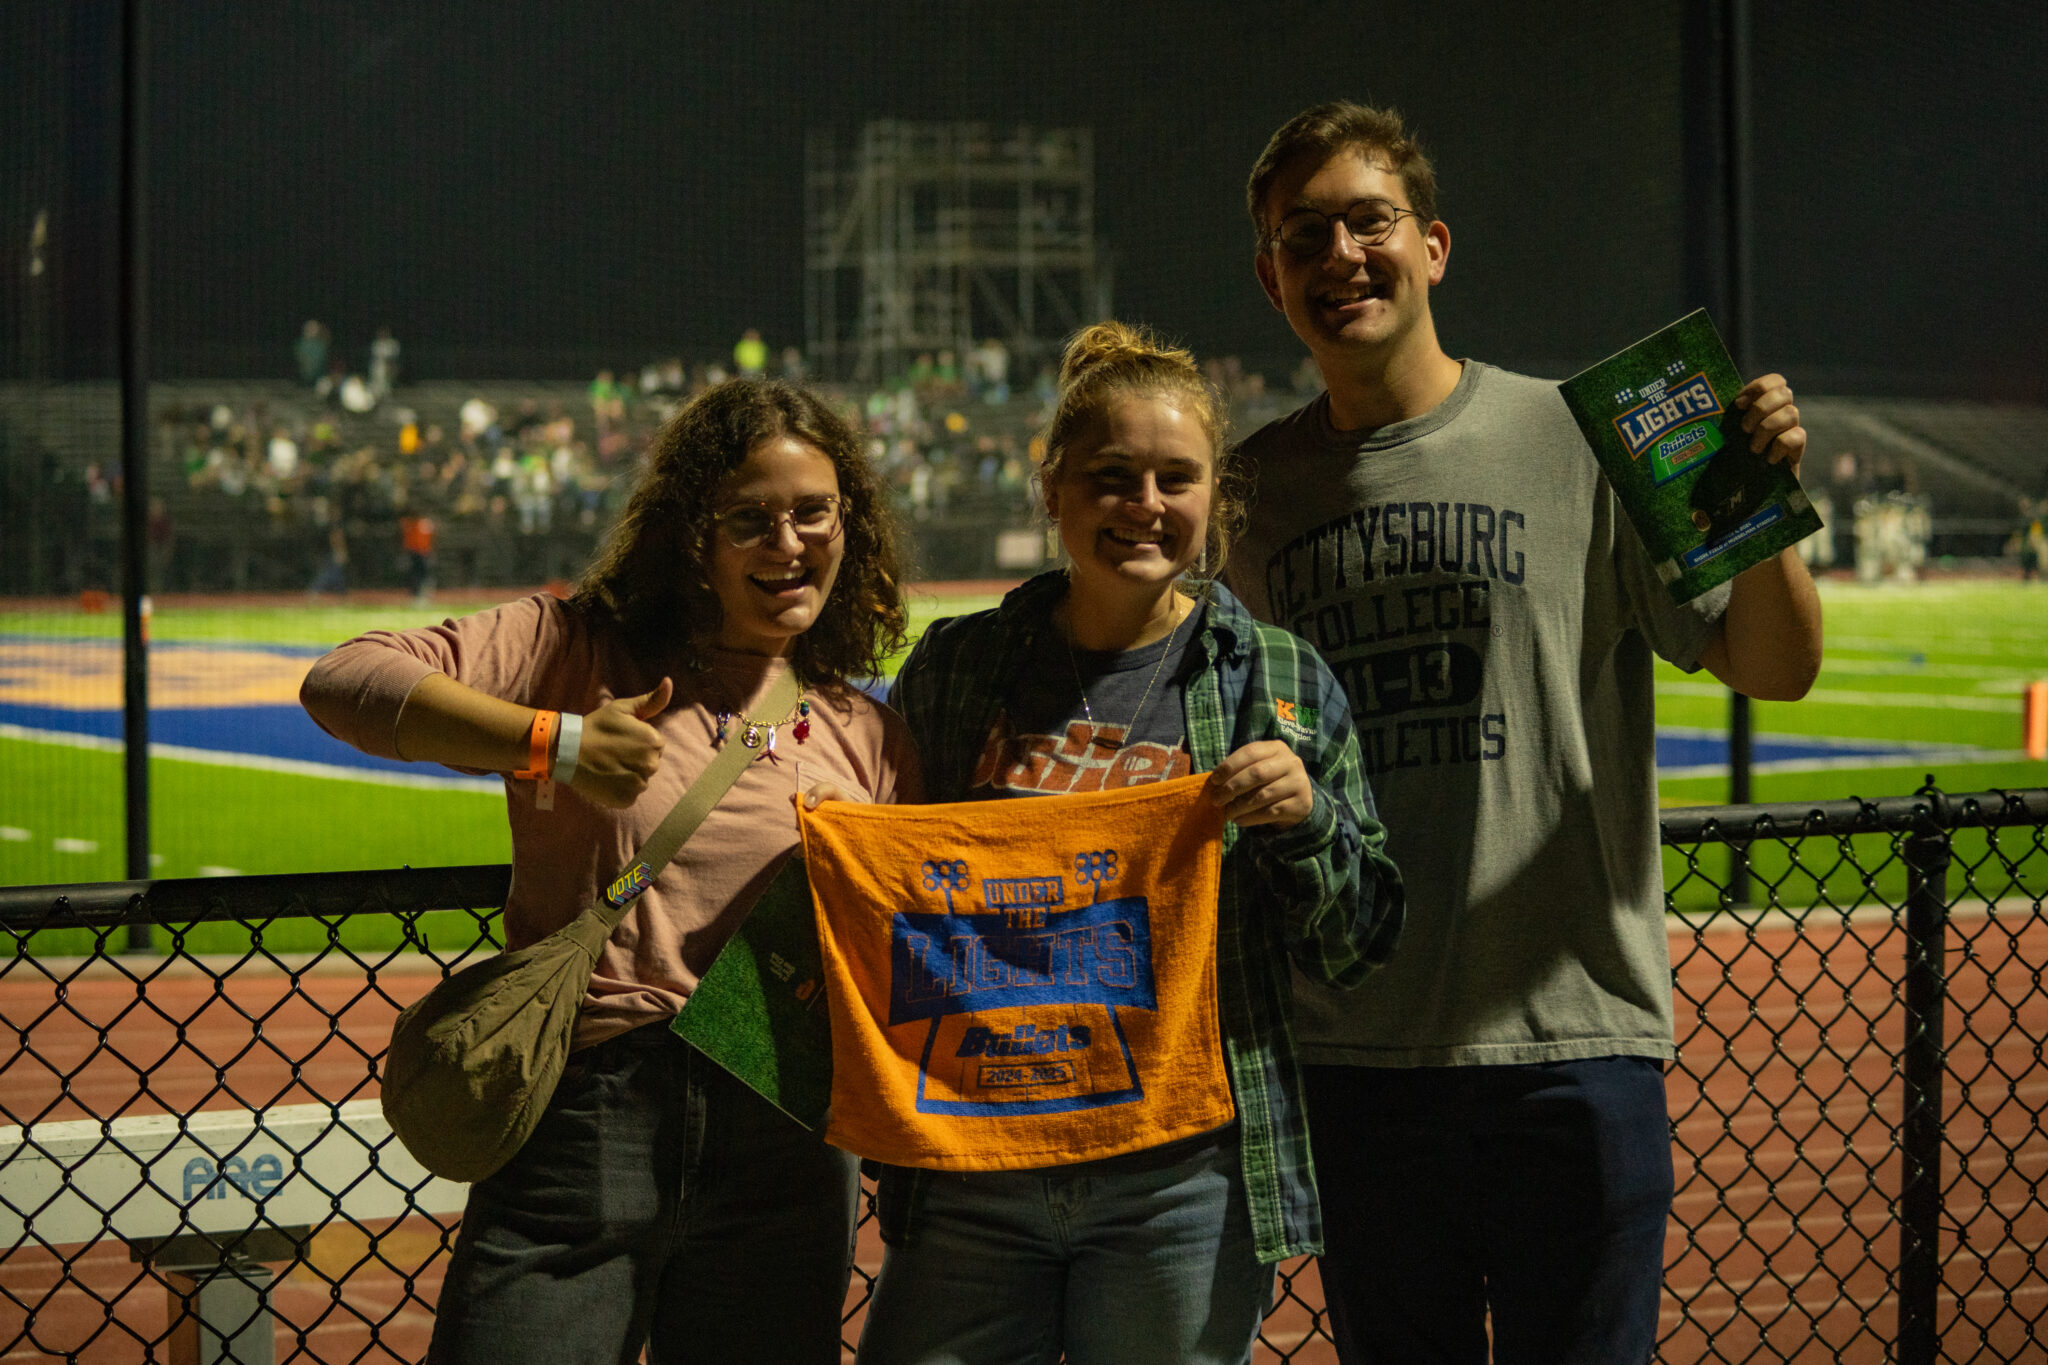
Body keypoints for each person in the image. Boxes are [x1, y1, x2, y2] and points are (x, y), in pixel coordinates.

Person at [1226, 102, 1824, 1363]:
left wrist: (1761, 507)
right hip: (1354, 1054)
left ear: (1431, 246)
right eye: (1302, 235)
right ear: (1270, 277)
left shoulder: (1579, 438)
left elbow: (1773, 668)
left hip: (1570, 1039)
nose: (1340, 255)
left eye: (1368, 221)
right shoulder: (1243, 498)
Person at [301, 379, 920, 1365]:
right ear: (692, 534)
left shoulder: (869, 734)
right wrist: (556, 743)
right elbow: (343, 681)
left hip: (785, 1142)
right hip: (588, 1119)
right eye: (749, 519)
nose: (788, 542)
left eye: (814, 513)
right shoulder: (577, 647)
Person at [857, 321, 1404, 1365]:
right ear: (1053, 491)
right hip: (974, 1164)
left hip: (1179, 1181)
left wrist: (1308, 824)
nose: (1144, 504)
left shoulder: (1276, 680)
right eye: (1111, 478)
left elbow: (1358, 945)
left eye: (1174, 478)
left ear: (1214, 498)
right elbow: (888, 899)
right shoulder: (959, 667)